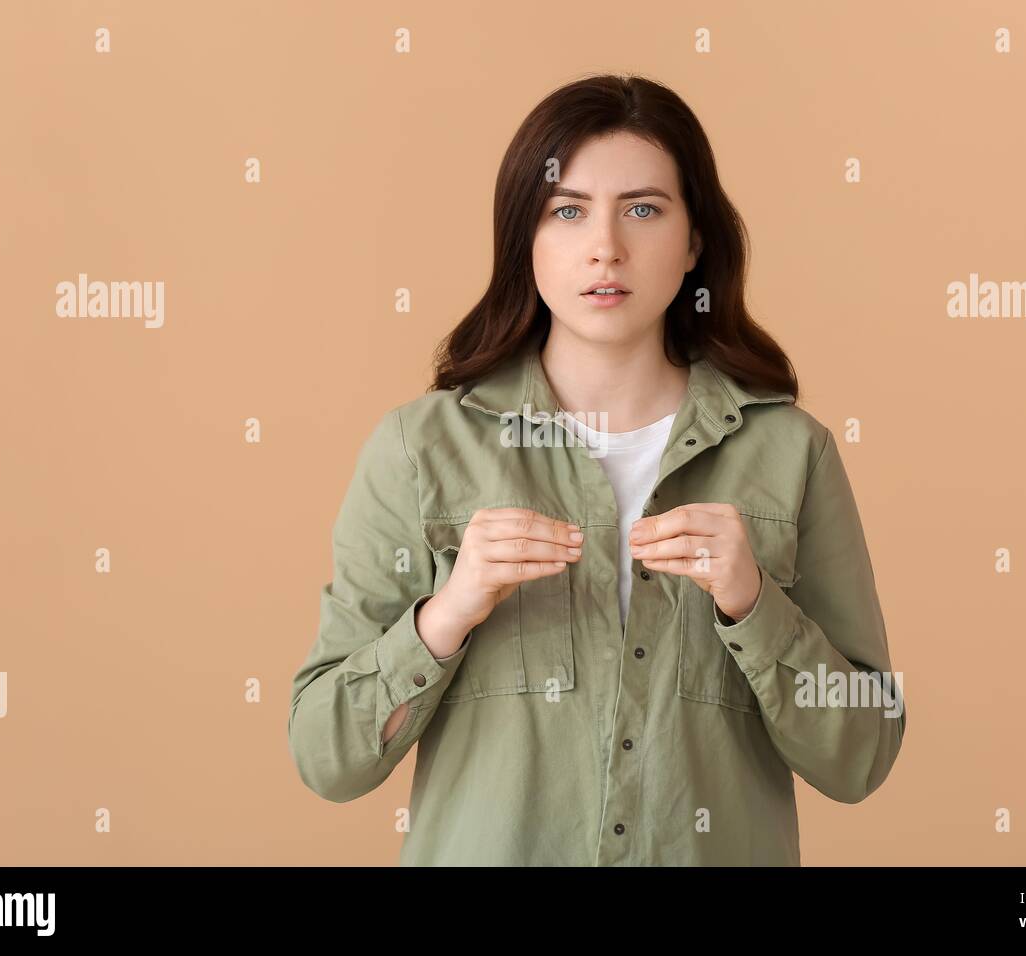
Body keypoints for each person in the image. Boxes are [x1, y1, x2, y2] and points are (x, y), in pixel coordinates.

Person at [288, 73, 906, 866]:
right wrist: (447, 615)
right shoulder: (418, 449)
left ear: (694, 243)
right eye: (567, 210)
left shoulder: (792, 453)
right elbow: (325, 757)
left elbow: (862, 758)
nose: (605, 246)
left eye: (643, 209)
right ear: (526, 240)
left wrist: (756, 607)